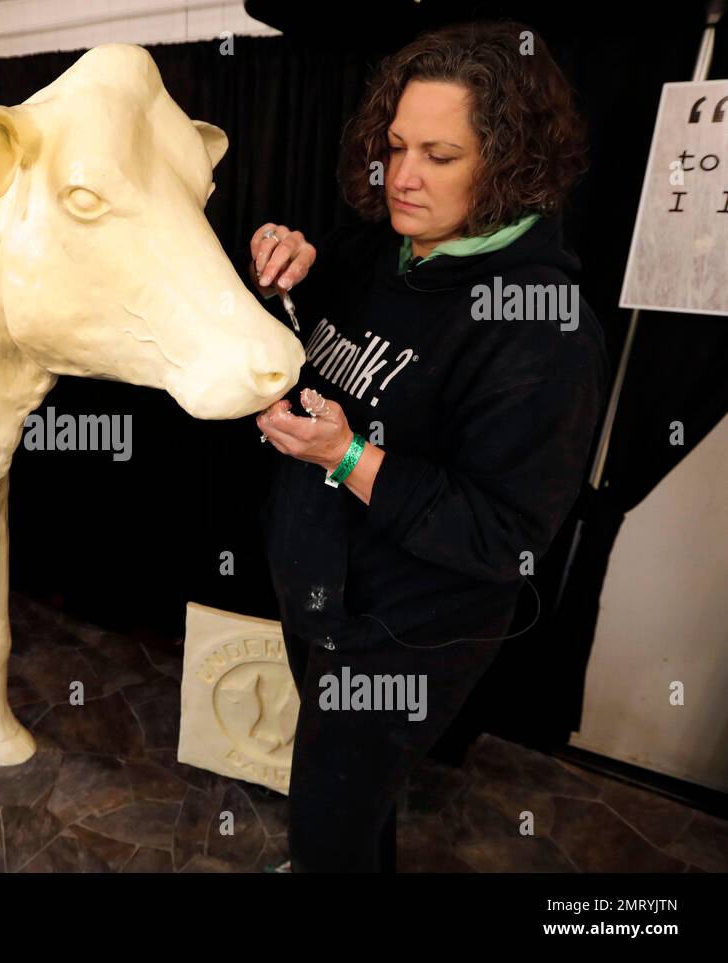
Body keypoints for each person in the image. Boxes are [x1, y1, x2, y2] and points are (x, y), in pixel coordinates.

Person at [250, 21, 610, 872]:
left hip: (405, 635)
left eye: (440, 157)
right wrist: (291, 268)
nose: (402, 177)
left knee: (327, 825)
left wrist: (347, 459)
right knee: (351, 804)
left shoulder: (544, 330)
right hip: (319, 595)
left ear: (508, 163)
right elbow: (318, 351)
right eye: (398, 145)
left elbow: (505, 536)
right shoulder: (378, 247)